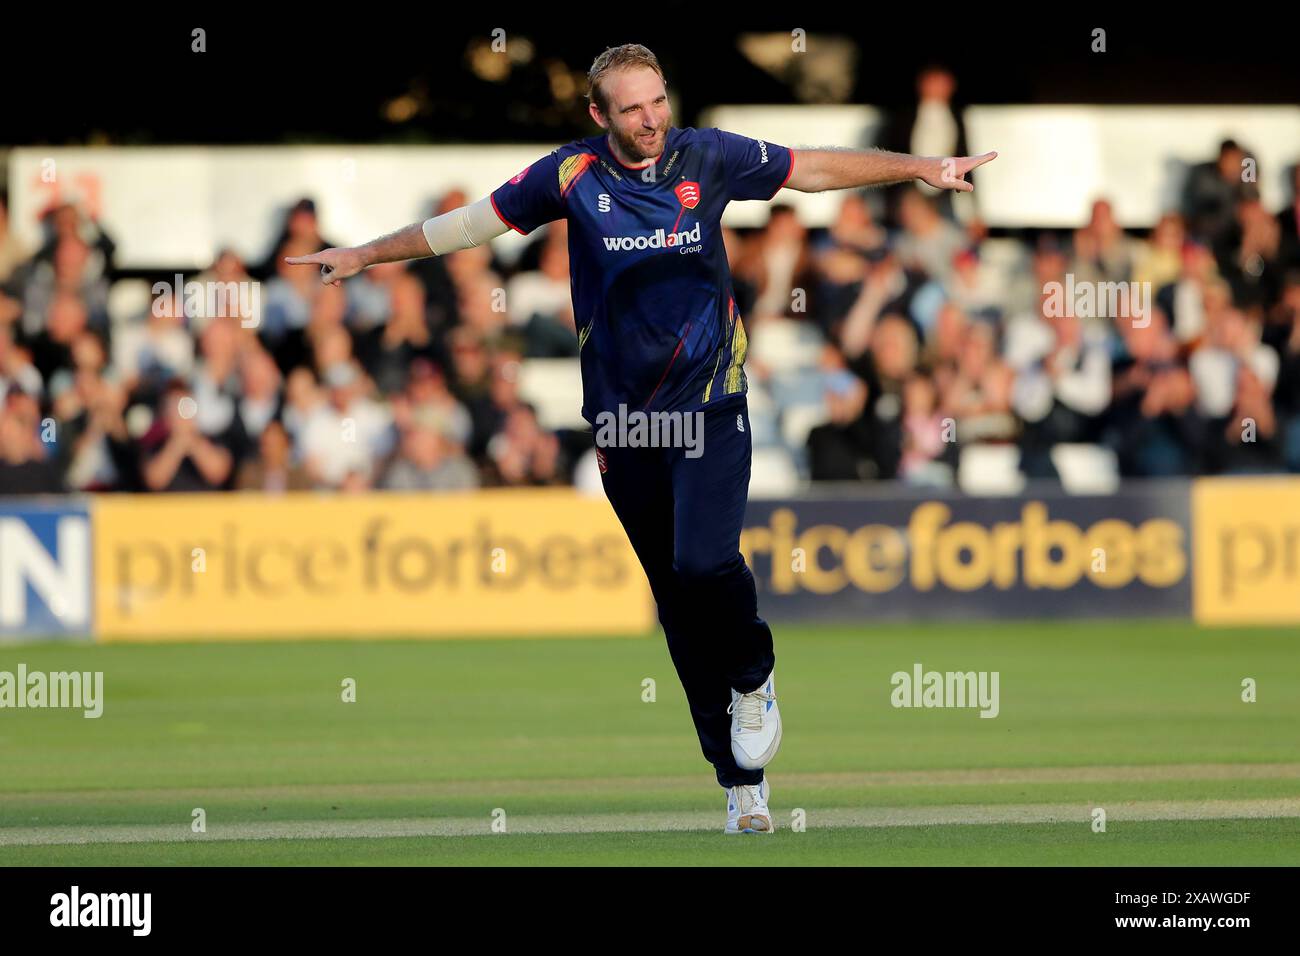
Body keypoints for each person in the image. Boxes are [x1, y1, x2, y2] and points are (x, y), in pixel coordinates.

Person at [286, 42, 996, 835]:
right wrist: (363, 254)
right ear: (599, 115)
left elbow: (812, 168)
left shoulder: (708, 156)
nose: (651, 119)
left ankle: (755, 678)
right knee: (676, 605)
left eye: (657, 101)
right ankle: (741, 784)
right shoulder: (569, 176)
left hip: (711, 404)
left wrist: (921, 167)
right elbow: (464, 228)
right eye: (632, 108)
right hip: (624, 424)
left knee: (704, 563)